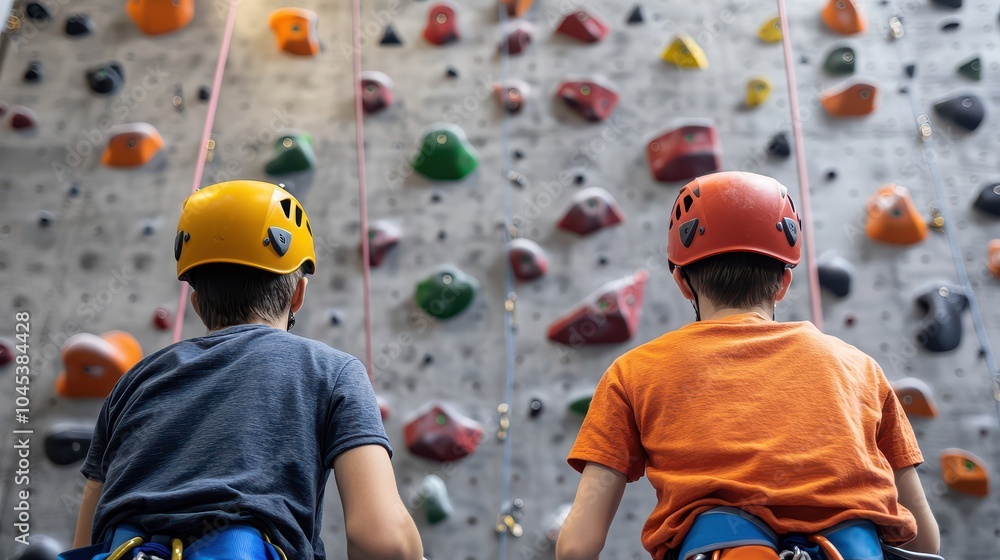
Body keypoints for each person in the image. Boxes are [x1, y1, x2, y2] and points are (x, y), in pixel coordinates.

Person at [555, 172, 940, 560]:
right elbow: (925, 542)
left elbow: (577, 547)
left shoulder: (633, 373)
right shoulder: (861, 369)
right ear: (783, 282)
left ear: (683, 283)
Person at [65, 180, 423, 560]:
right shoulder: (333, 372)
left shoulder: (133, 383)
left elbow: (87, 543)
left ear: (198, 303)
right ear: (299, 294)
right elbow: (381, 540)